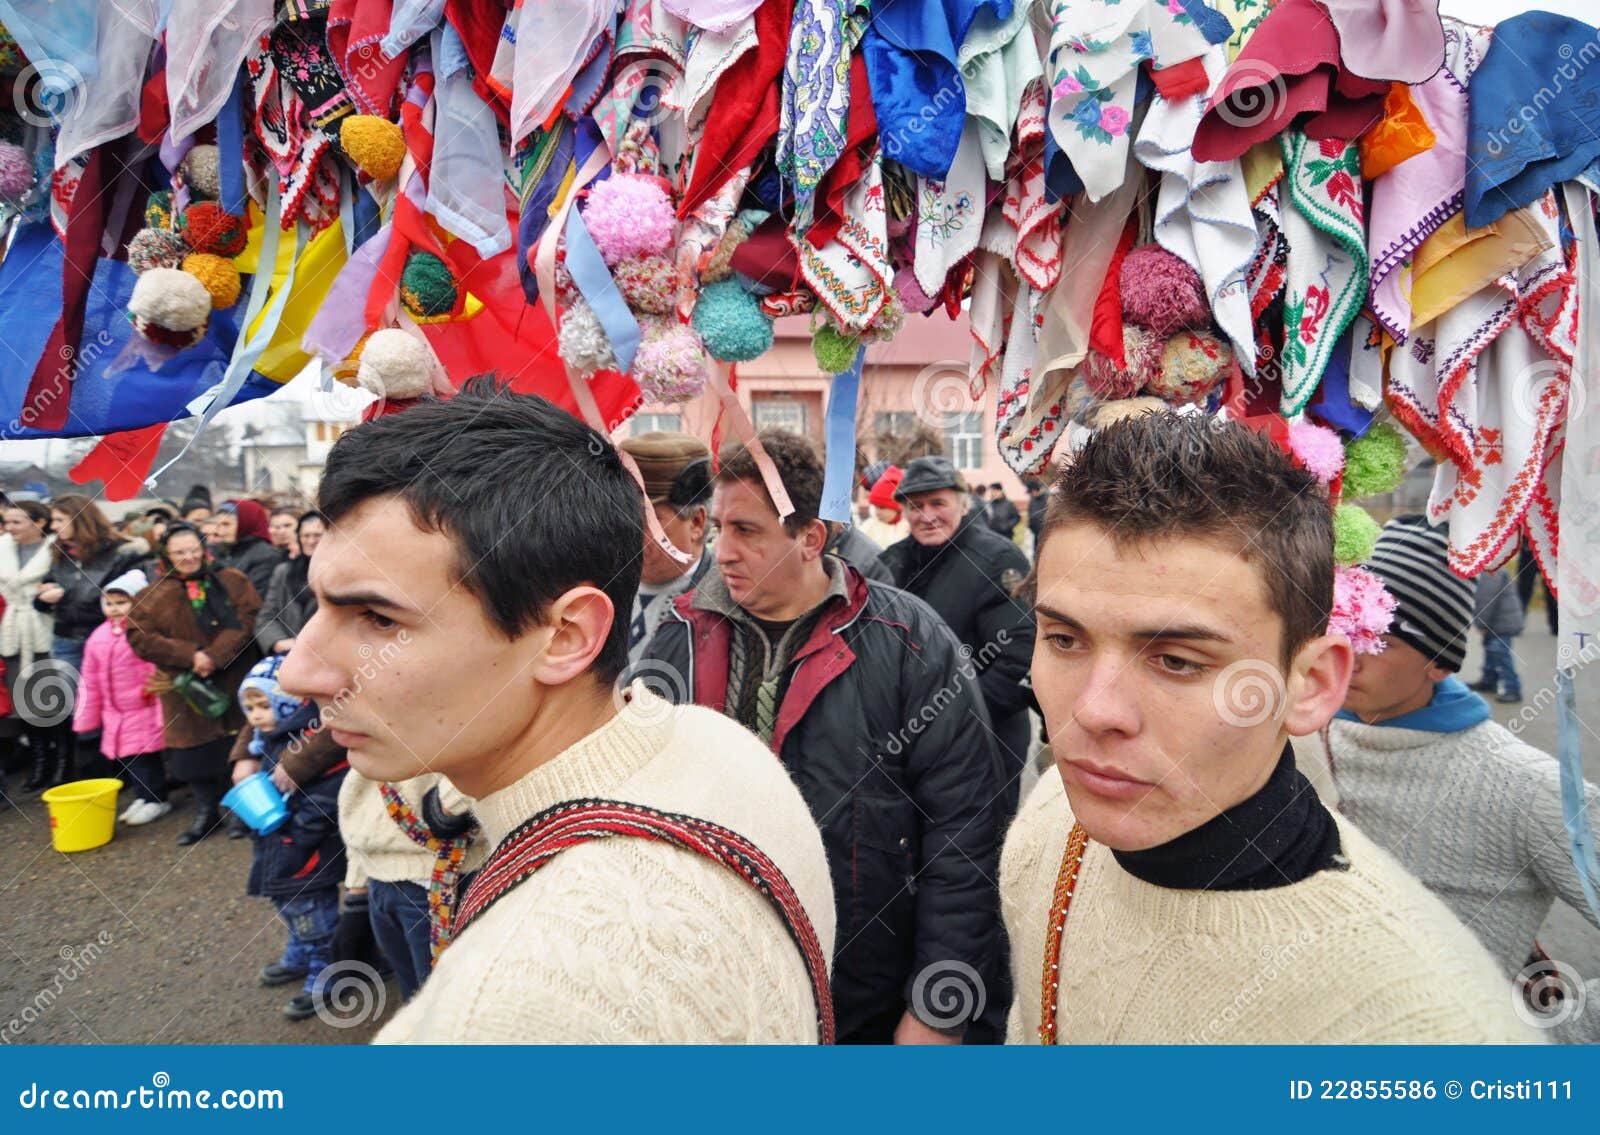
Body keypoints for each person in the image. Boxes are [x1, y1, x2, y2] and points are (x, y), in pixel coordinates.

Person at [279, 377, 837, 1043]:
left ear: (568, 634)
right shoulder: (718, 747)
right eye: (320, 605)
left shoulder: (496, 1018)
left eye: (376, 615)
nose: (297, 670)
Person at [1004, 413, 1534, 1044]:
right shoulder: (1048, 820)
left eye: (1177, 660)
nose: (1094, 711)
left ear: (1308, 686)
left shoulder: (1429, 1032)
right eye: (1064, 638)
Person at [645, 430, 1004, 1044]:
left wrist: (937, 1007)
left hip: (866, 993)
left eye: (747, 531)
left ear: (811, 538)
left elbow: (966, 830)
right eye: (719, 529)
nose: (722, 551)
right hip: (715, 991)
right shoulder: (678, 637)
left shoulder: (909, 639)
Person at [1295, 516, 1600, 1043]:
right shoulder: (1293, 741)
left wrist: (1542, 1038)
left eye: (1381, 639)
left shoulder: (1526, 788)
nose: (1349, 656)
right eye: (1343, 626)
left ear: (1440, 661)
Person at [880, 456, 1036, 813]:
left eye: (938, 503)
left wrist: (955, 721)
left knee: (978, 848)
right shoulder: (893, 561)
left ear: (963, 504)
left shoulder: (997, 558)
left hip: (985, 740)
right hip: (913, 744)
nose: (927, 515)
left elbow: (1019, 656)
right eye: (916, 506)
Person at [229, 655, 350, 1020]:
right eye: (248, 708)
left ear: (285, 703)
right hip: (280, 843)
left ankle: (325, 972)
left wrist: (298, 833)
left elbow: (327, 796)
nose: (255, 717)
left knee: (315, 913)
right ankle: (300, 952)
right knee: (289, 905)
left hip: (305, 849)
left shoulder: (307, 742)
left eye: (263, 706)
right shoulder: (268, 739)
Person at [126, 523, 262, 846]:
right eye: (179, 552)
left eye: (193, 550)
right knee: (193, 751)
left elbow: (247, 620)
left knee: (236, 744)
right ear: (165, 555)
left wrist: (213, 656)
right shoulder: (151, 595)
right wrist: (190, 656)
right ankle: (206, 812)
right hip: (183, 685)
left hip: (231, 676)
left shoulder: (232, 581)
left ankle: (241, 809)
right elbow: (140, 637)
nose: (188, 557)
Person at [337, 771, 486, 1002]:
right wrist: (357, 883)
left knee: (441, 1004)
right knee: (413, 997)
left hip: (442, 876)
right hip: (379, 877)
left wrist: (451, 802)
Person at [33, 494, 147, 787]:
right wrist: (43, 599)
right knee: (78, 708)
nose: (53, 526)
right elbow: (44, 593)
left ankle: (130, 775)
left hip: (107, 642)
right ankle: (94, 774)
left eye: (59, 520)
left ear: (79, 518)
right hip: (66, 638)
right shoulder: (60, 552)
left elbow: (121, 600)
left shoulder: (121, 553)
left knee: (118, 703)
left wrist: (65, 595)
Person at [71, 569, 169, 825]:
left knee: (144, 756)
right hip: (115, 711)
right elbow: (89, 677)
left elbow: (154, 667)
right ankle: (142, 795)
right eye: (109, 603)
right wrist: (87, 716)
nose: (114, 609)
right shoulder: (98, 636)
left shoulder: (143, 633)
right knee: (128, 756)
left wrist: (152, 696)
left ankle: (156, 798)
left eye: (121, 602)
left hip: (142, 705)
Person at [616, 432, 714, 664]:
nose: (630, 532)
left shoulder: (727, 606)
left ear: (696, 523)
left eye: (647, 520)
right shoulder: (600, 590)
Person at [0, 500, 55, 790]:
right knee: (23, 700)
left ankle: (59, 762)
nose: (10, 528)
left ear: (40, 523)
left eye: (17, 522)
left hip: (44, 627)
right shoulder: (3, 549)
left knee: (51, 697)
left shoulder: (55, 549)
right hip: (12, 630)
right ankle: (39, 760)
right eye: (7, 522)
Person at [256, 512, 327, 656]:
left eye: (317, 535)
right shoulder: (283, 572)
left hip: (326, 654)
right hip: (287, 654)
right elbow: (266, 616)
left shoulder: (340, 573)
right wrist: (278, 641)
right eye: (305, 536)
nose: (311, 541)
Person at [1470, 563, 1524, 703]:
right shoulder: (1488, 568)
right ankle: (1489, 680)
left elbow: (1486, 599)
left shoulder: (1489, 571)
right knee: (1490, 649)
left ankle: (1512, 688)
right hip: (1496, 620)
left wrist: (1481, 622)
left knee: (1500, 653)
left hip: (1502, 622)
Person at [211, 500, 287, 596]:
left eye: (226, 524)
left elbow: (253, 599)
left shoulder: (266, 556)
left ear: (245, 522)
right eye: (218, 525)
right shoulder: (215, 551)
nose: (220, 531)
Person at [859, 464, 908, 549]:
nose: (877, 512)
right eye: (875, 507)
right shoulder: (868, 527)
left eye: (882, 507)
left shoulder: (909, 528)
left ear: (896, 507)